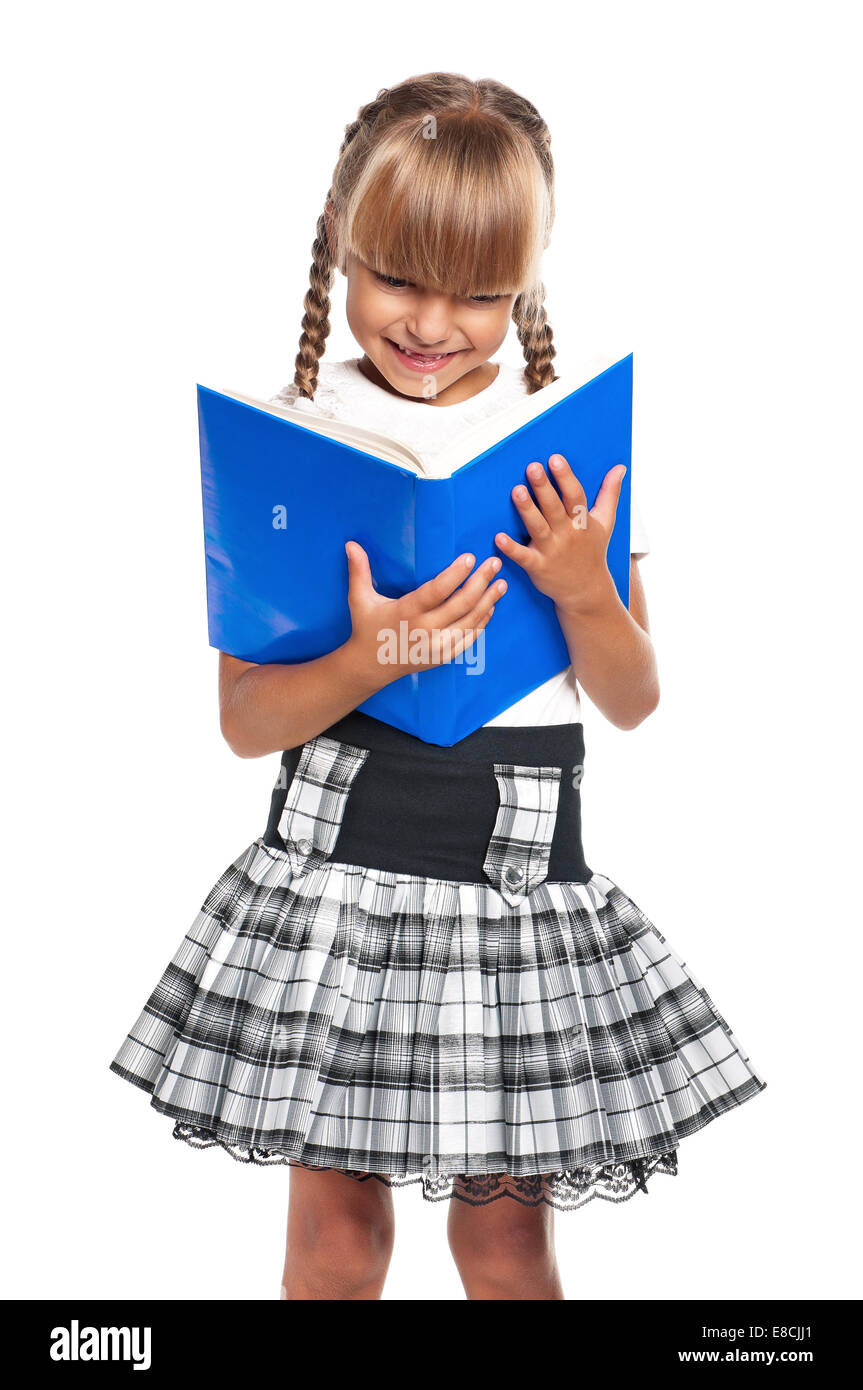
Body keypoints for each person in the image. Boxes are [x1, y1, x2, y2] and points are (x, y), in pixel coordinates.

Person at [111, 72, 765, 1302]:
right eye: (398, 277)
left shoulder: (564, 446)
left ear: (525, 288)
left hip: (515, 882)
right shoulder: (288, 441)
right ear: (338, 252)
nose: (432, 321)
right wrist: (370, 659)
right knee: (332, 1244)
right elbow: (244, 723)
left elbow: (631, 699)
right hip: (335, 880)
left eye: (480, 294)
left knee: (508, 1244)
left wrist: (584, 589)